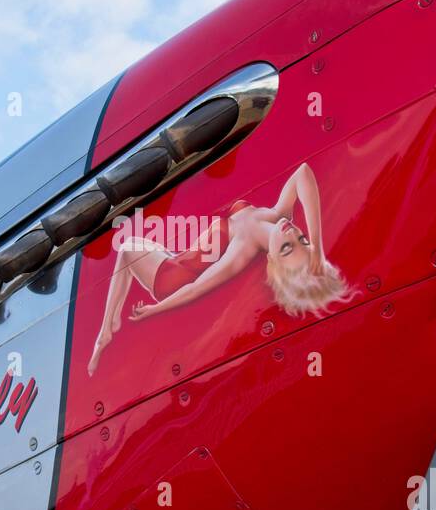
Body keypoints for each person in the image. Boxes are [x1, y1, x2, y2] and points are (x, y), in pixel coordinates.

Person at [88, 161, 350, 375]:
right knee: (131, 250)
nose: (291, 232)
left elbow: (195, 288)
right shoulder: (279, 214)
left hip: (172, 279)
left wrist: (155, 309)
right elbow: (303, 172)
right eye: (300, 239)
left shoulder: (243, 249)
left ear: (274, 260)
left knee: (126, 249)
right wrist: (317, 247)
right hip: (177, 259)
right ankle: (109, 325)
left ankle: (106, 329)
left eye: (287, 248)